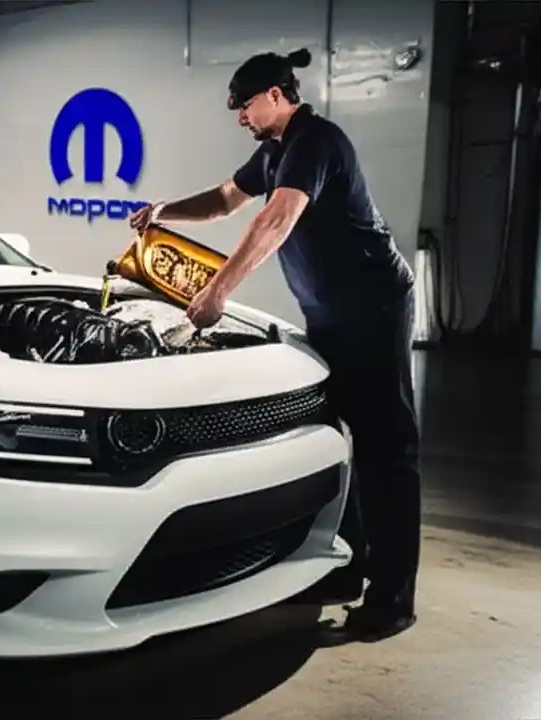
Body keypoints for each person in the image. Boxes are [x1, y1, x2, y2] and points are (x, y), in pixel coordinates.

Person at [128, 47, 420, 640]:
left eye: (245, 105)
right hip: (333, 314)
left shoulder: (317, 142)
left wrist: (216, 293)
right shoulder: (275, 152)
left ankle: (393, 598)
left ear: (278, 96)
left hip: (374, 308)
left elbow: (275, 221)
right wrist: (163, 211)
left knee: (387, 450)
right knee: (342, 440)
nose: (240, 116)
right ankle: (352, 566)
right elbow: (223, 201)